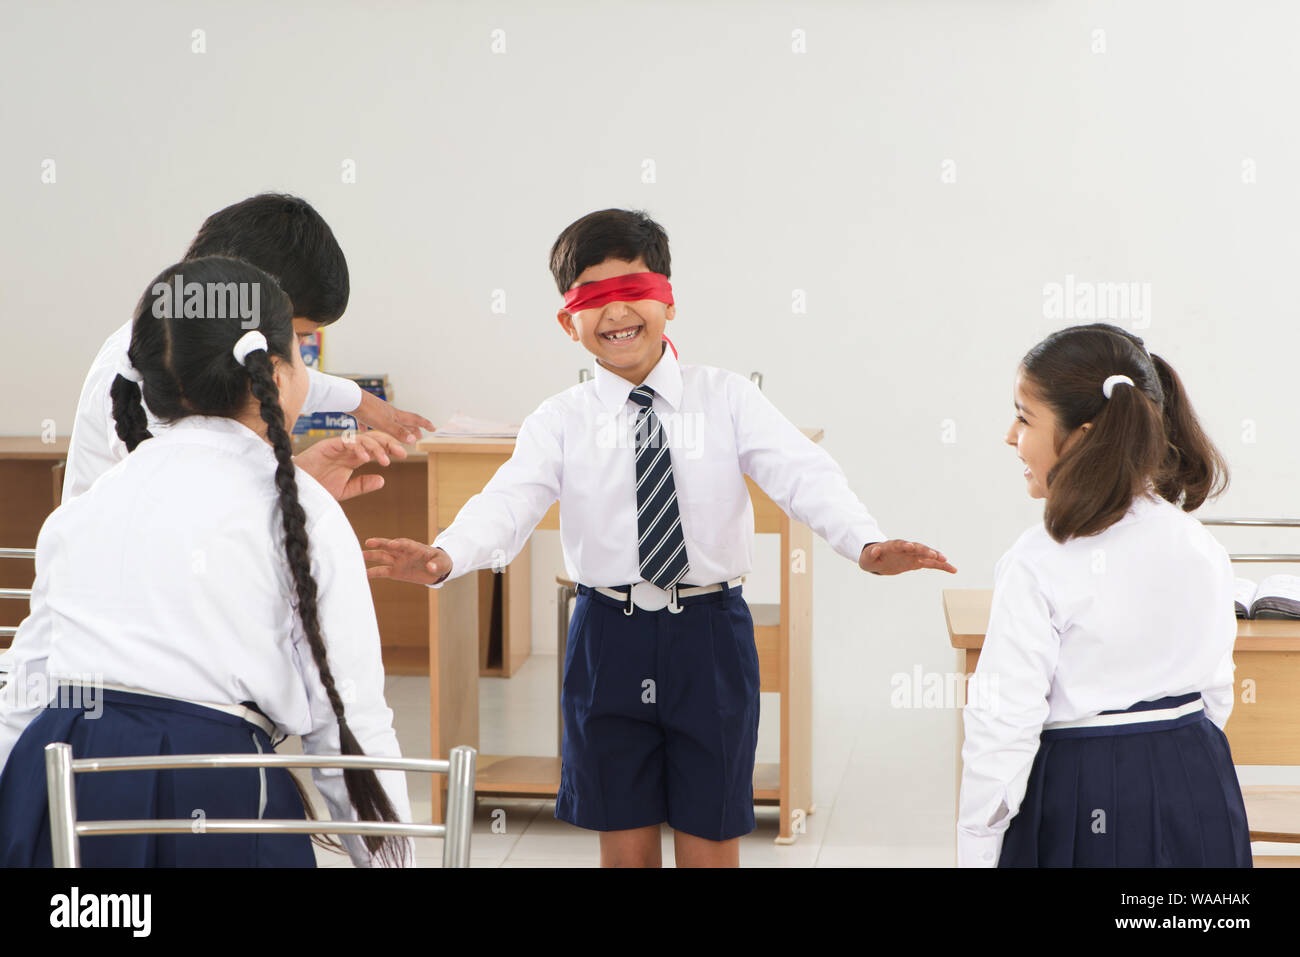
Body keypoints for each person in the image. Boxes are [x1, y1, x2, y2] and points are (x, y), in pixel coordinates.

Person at [363, 208, 956, 867]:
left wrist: (865, 543)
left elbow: (802, 474)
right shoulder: (561, 421)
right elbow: (507, 501)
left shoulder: (727, 399)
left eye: (634, 290)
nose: (617, 312)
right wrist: (447, 554)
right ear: (569, 321)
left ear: (668, 300)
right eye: (594, 297)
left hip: (708, 638)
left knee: (709, 842)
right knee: (626, 846)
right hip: (607, 640)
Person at [0, 257, 412, 867]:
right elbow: (350, 729)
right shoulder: (306, 514)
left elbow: (24, 688)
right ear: (274, 372)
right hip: (212, 795)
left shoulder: (90, 504)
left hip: (58, 789)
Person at [958, 322, 1250, 867]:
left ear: (1086, 435)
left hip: (1078, 793)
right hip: (1197, 785)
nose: (1009, 435)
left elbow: (1003, 726)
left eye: (1024, 417)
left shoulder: (1038, 558)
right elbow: (1217, 695)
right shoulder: (1200, 544)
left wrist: (977, 847)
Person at [63, 193, 434, 502]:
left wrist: (359, 401)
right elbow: (186, 511)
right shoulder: (151, 374)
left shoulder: (191, 351)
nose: (294, 359)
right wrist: (297, 485)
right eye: (297, 336)